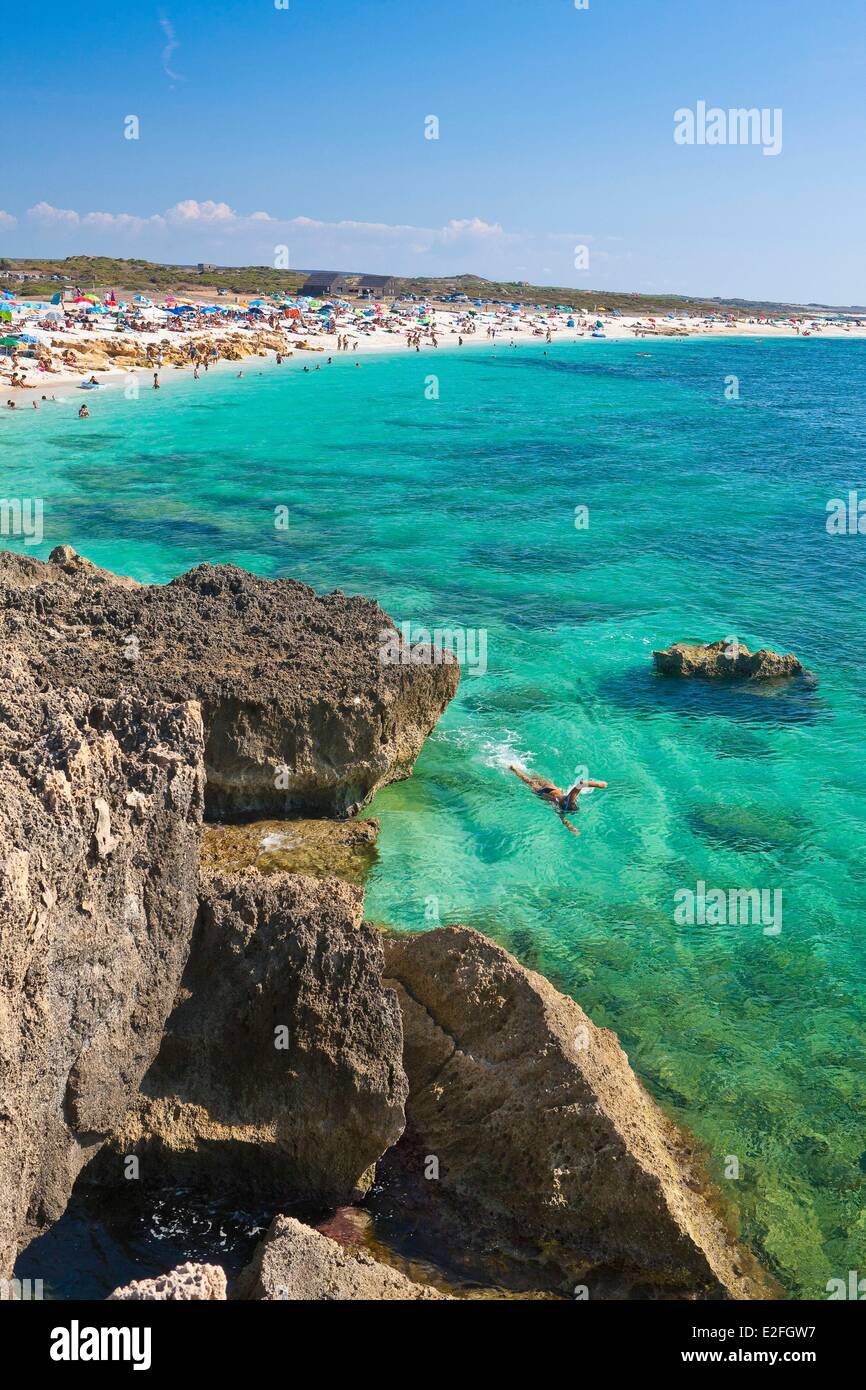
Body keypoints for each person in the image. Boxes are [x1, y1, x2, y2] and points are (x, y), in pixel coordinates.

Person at [510, 765, 607, 836]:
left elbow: (581, 784)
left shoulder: (570, 800)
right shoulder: (561, 809)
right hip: (542, 795)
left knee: (535, 777)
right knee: (528, 781)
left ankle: (518, 767)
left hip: (550, 788)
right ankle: (514, 770)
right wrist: (571, 828)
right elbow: (563, 820)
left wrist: (600, 785)